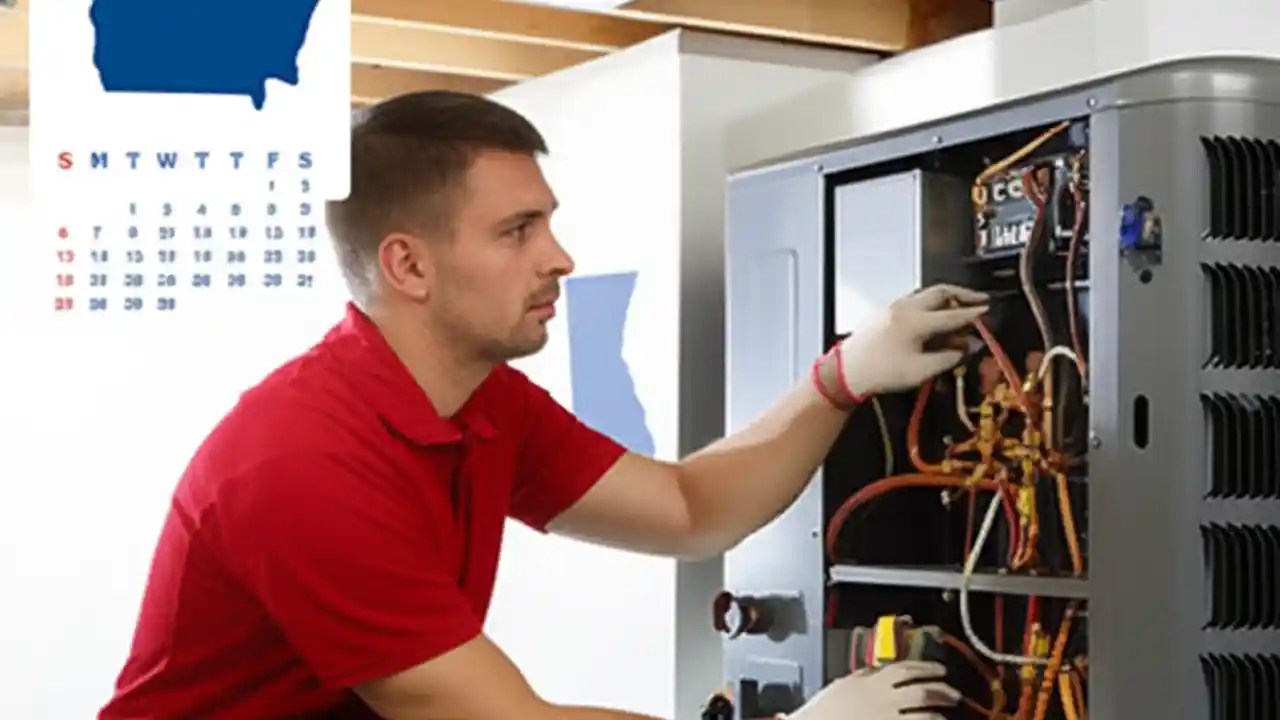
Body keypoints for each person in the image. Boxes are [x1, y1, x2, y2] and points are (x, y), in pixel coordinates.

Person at [98, 91, 988, 720]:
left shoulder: (485, 403)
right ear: (408, 266)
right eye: (517, 231)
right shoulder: (300, 462)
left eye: (547, 223)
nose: (558, 258)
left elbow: (688, 507)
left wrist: (842, 376)